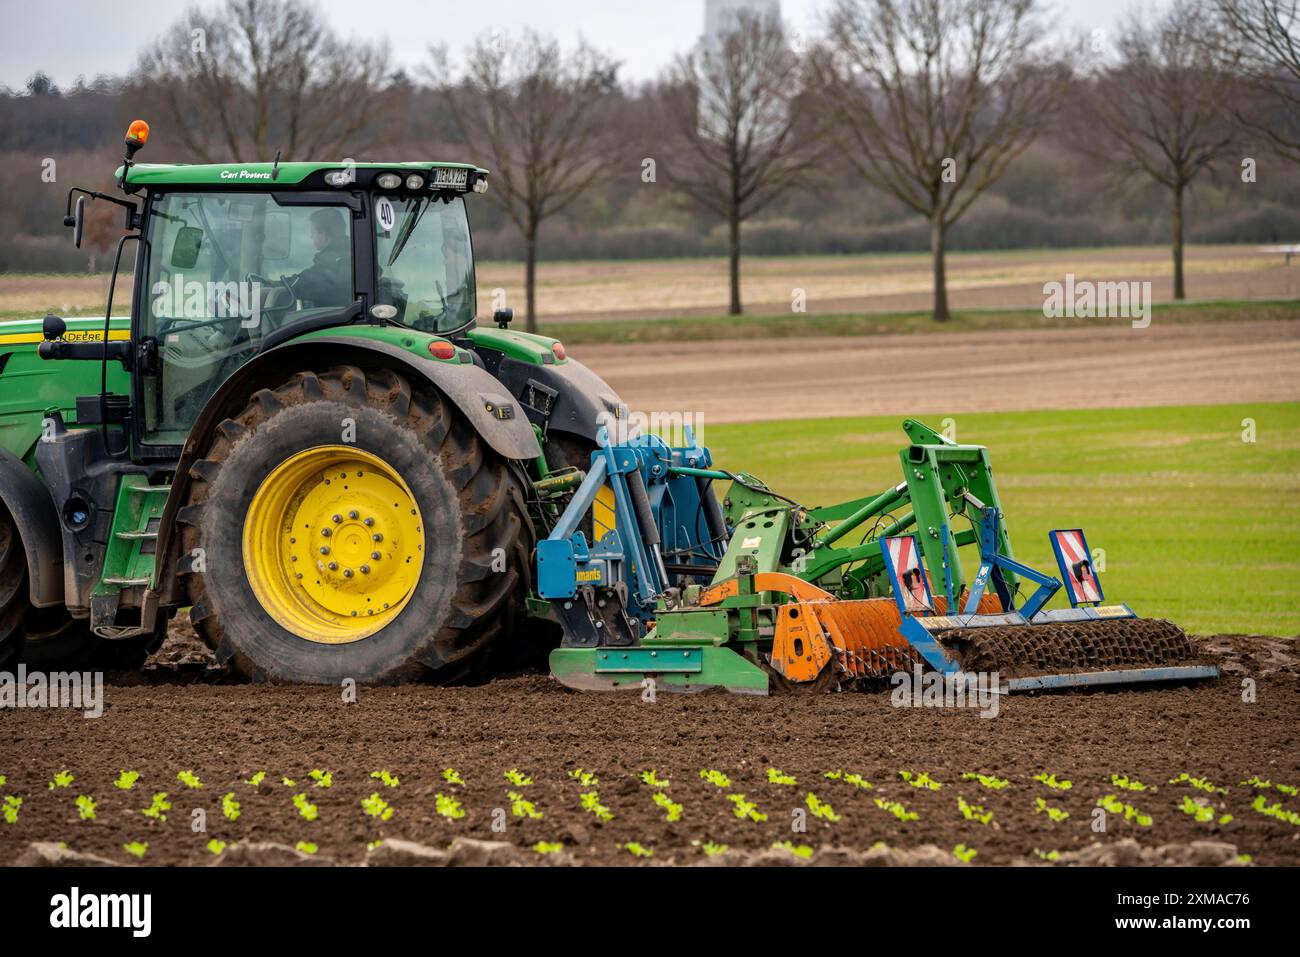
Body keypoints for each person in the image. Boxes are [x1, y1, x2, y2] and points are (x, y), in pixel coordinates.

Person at [285, 208, 352, 307]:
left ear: (323, 235)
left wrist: (274, 286)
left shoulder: (330, 263)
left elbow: (302, 282)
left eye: (313, 232)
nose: (311, 236)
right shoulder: (357, 254)